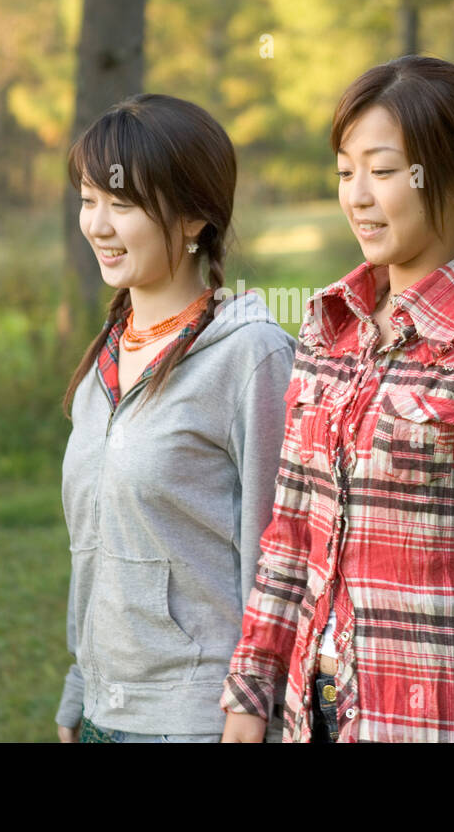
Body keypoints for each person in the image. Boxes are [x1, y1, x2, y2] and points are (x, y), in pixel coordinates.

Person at [220, 54, 454, 742]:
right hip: (311, 710)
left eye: (382, 172)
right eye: (346, 173)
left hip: (434, 722)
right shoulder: (328, 328)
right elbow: (290, 531)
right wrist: (249, 691)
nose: (357, 195)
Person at [54, 94, 294, 743]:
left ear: (194, 217)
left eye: (122, 204)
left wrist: (255, 700)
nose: (98, 225)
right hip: (104, 714)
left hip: (200, 720)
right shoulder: (103, 365)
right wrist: (79, 685)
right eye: (87, 199)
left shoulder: (250, 357)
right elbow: (92, 547)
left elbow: (280, 551)